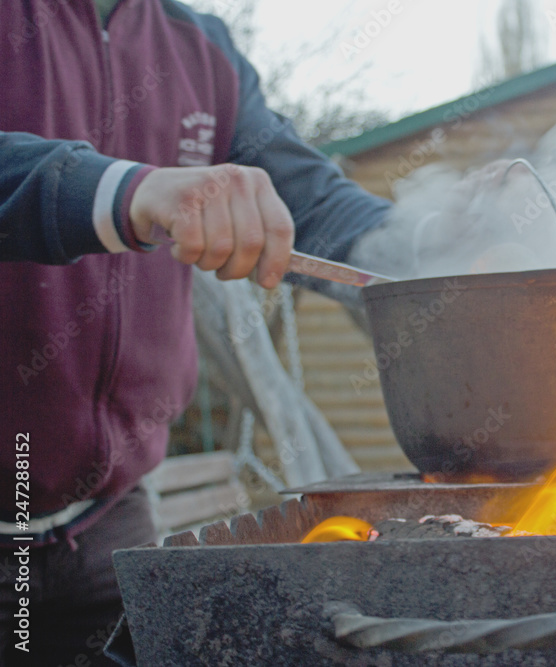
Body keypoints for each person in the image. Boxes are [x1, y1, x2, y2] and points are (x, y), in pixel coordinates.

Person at [0, 1, 396, 663]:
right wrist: (129, 190)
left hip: (109, 526)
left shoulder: (200, 45)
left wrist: (434, 247)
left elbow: (315, 202)